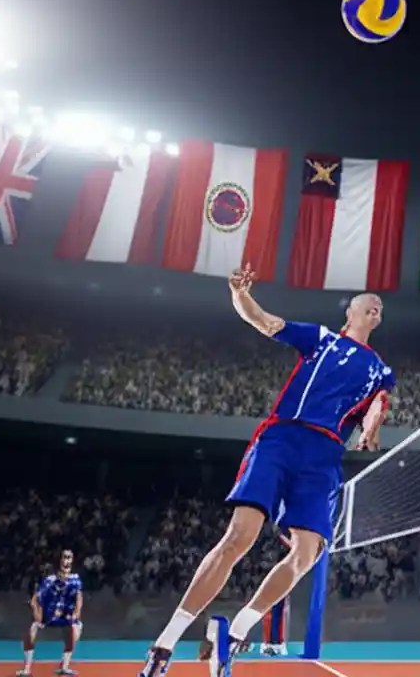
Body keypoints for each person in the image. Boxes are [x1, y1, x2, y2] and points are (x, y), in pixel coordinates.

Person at [139, 264, 395, 677]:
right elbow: (264, 321)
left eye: (380, 307)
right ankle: (165, 642)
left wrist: (369, 431)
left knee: (307, 554)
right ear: (351, 312)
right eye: (370, 303)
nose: (377, 307)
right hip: (282, 439)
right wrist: (240, 295)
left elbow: (377, 407)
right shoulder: (321, 338)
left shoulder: (381, 369)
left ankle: (239, 628)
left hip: (325, 455)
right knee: (239, 537)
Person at [20, 549, 82, 677]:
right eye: (64, 558)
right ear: (59, 561)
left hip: (65, 617)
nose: (66, 561)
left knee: (77, 627)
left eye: (69, 558)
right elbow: (35, 599)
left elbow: (79, 598)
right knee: (31, 631)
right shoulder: (49, 580)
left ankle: (64, 667)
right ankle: (26, 669)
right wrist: (38, 618)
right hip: (47, 616)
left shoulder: (75, 580)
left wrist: (77, 613)